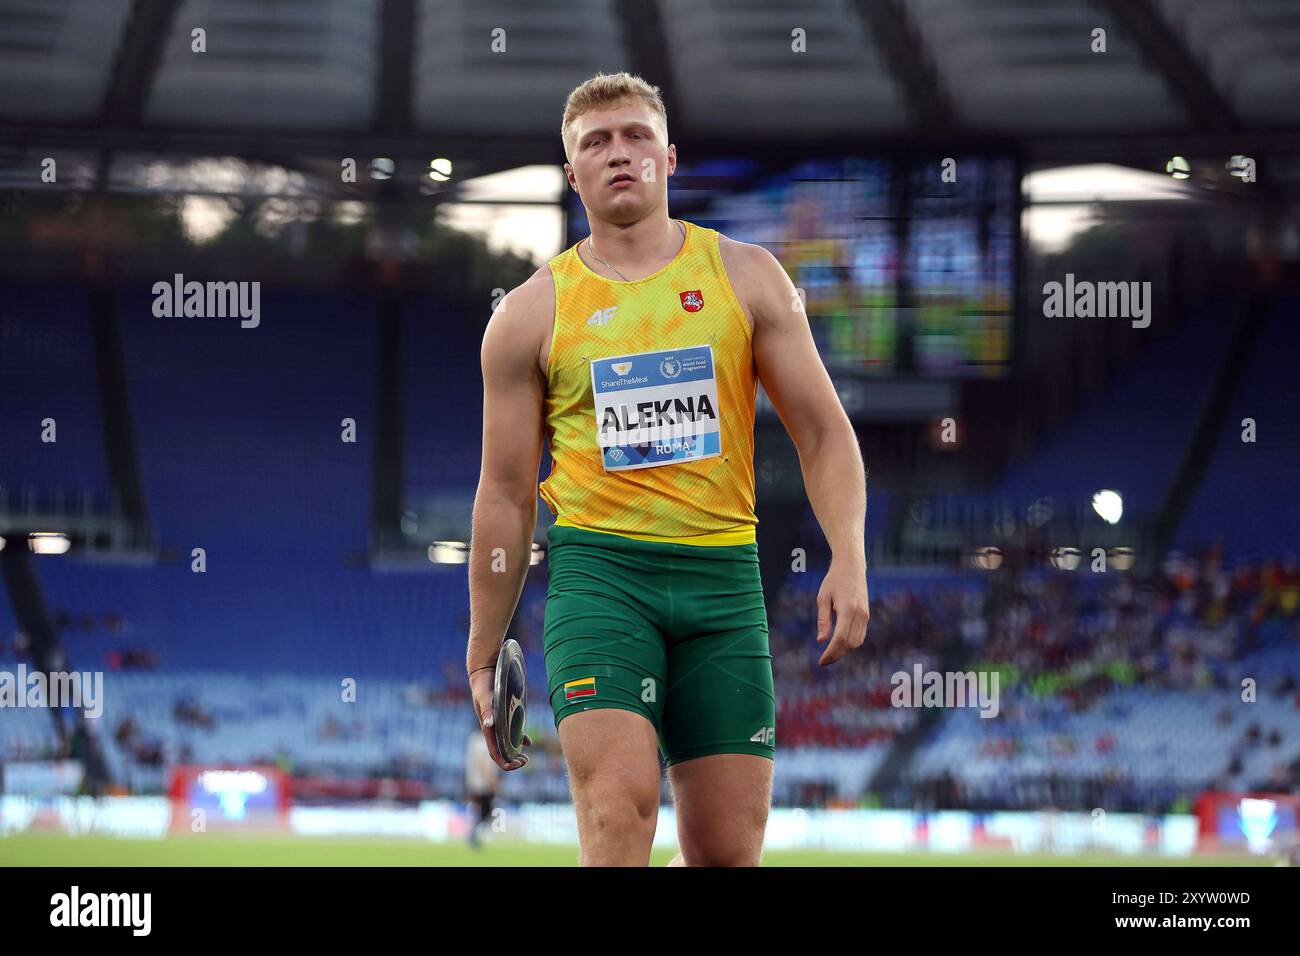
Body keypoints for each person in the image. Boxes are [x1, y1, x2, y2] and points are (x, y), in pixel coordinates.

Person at [467, 72, 868, 866]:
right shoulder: (527, 315)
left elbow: (823, 432)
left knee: (725, 852)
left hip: (724, 582)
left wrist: (849, 554)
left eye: (637, 135)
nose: (619, 153)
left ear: (670, 157)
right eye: (596, 143)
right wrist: (485, 651)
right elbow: (506, 492)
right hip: (602, 580)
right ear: (573, 172)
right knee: (619, 820)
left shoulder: (748, 277)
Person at [464, 728, 500, 848]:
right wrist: (489, 778)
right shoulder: (480, 739)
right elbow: (480, 760)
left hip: (477, 781)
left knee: (484, 811)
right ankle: (473, 834)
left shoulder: (475, 738)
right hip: (481, 782)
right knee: (486, 810)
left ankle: (473, 834)